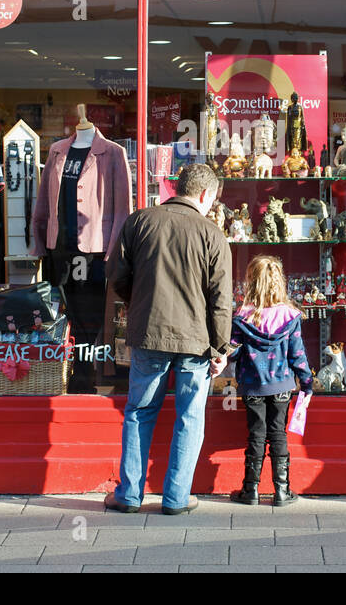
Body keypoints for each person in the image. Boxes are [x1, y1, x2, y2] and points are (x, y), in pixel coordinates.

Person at [103, 163, 233, 515]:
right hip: (196, 342)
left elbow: (115, 275)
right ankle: (176, 498)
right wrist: (221, 348)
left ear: (179, 187)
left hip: (149, 333)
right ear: (205, 195)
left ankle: (129, 496)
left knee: (139, 412)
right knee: (190, 418)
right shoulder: (212, 234)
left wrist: (140, 302)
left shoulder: (140, 221)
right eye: (213, 200)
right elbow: (222, 300)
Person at [226, 256, 313, 506]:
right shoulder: (290, 316)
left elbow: (233, 353)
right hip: (282, 385)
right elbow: (298, 355)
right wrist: (306, 383)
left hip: (253, 386)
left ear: (251, 283)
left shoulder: (242, 316)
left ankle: (250, 490)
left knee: (256, 434)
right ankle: (282, 491)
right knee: (278, 435)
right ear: (279, 283)